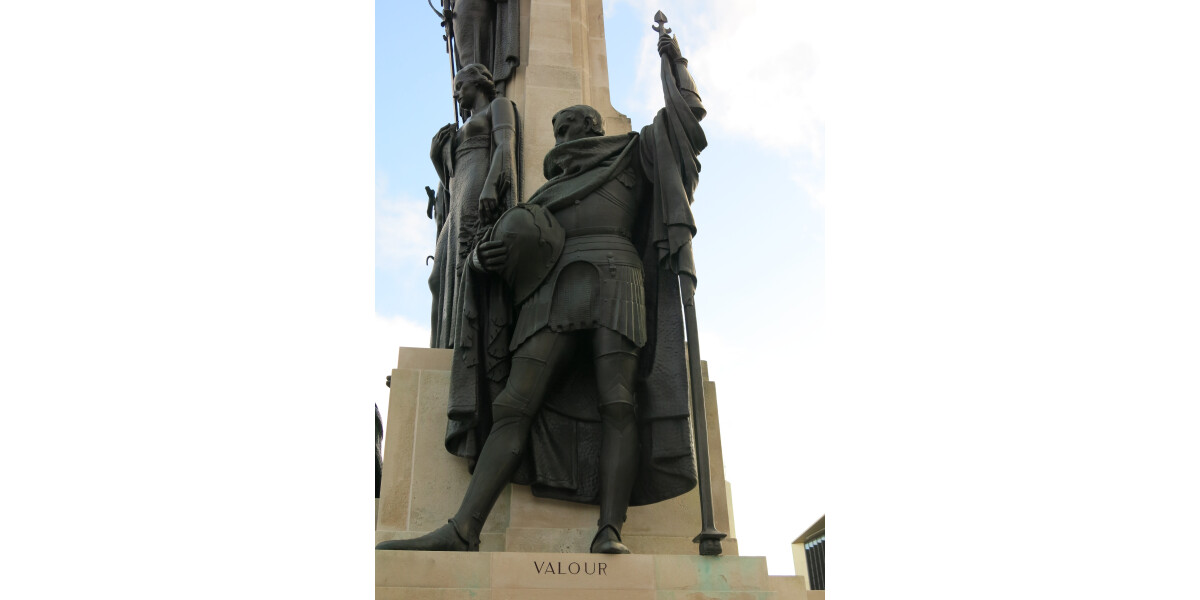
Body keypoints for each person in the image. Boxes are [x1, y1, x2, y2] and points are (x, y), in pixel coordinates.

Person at [380, 27, 706, 555]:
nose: (561, 137)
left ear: (591, 127)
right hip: (551, 294)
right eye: (557, 131)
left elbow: (686, 122)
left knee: (618, 403)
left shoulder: (632, 153)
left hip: (617, 283)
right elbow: (524, 248)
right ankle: (464, 528)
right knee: (513, 405)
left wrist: (675, 62)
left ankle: (610, 529)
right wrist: (487, 260)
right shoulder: (545, 195)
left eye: (569, 127)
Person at [427, 63, 520, 349]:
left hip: (478, 185)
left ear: (477, 84)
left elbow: (505, 143)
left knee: (464, 262)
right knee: (437, 275)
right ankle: (443, 343)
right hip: (457, 196)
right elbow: (449, 179)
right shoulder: (462, 125)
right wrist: (436, 156)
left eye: (459, 87)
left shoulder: (498, 106)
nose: (456, 94)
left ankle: (466, 339)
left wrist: (492, 184)